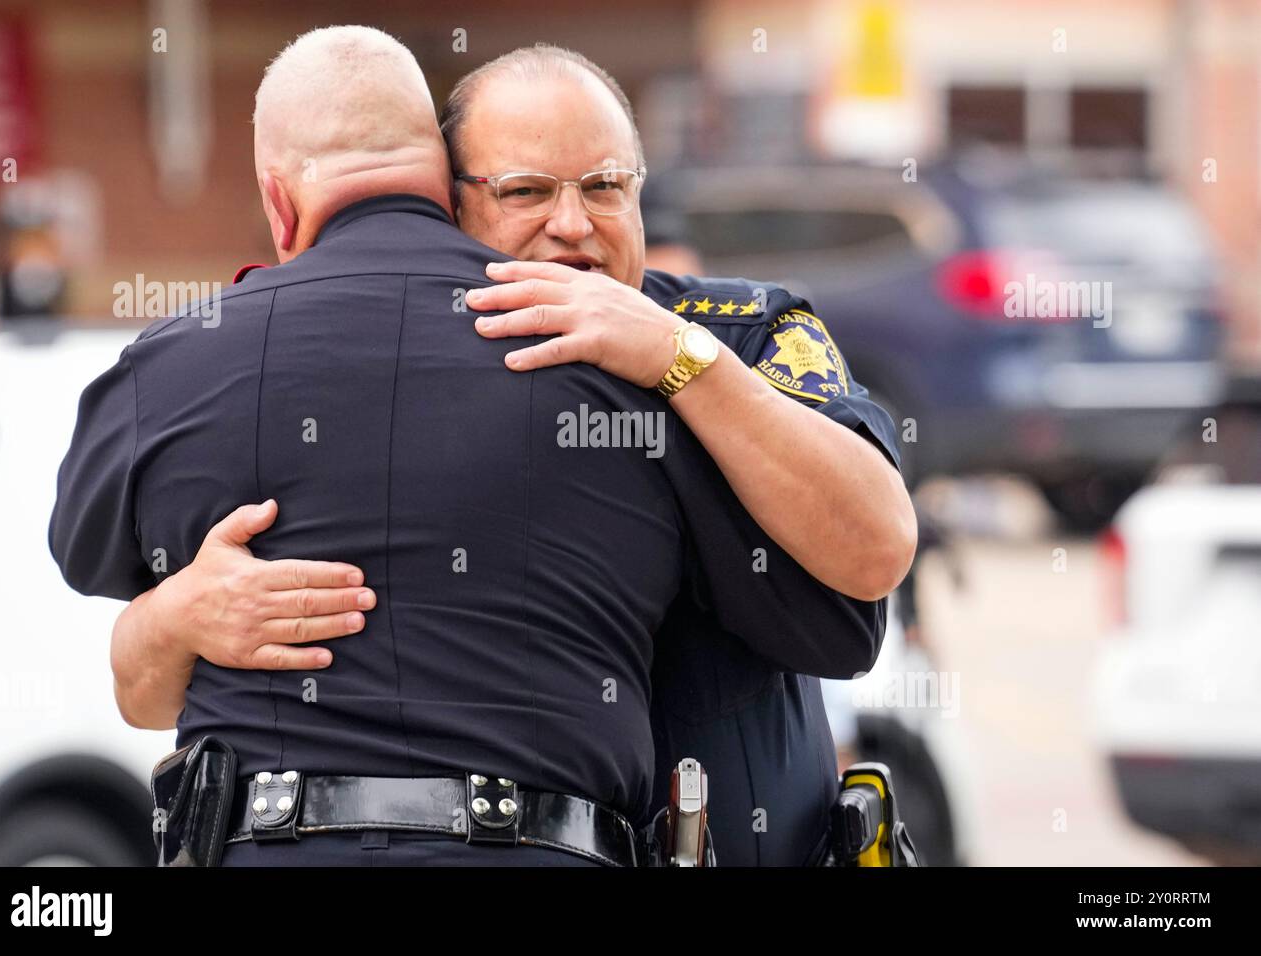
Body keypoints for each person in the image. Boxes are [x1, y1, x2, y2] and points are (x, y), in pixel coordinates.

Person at [49, 27, 904, 867]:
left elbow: (872, 559)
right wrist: (174, 615)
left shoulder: (732, 338)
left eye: (605, 186)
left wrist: (683, 364)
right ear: (447, 203)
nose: (573, 226)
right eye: (527, 192)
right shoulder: (363, 364)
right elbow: (147, 670)